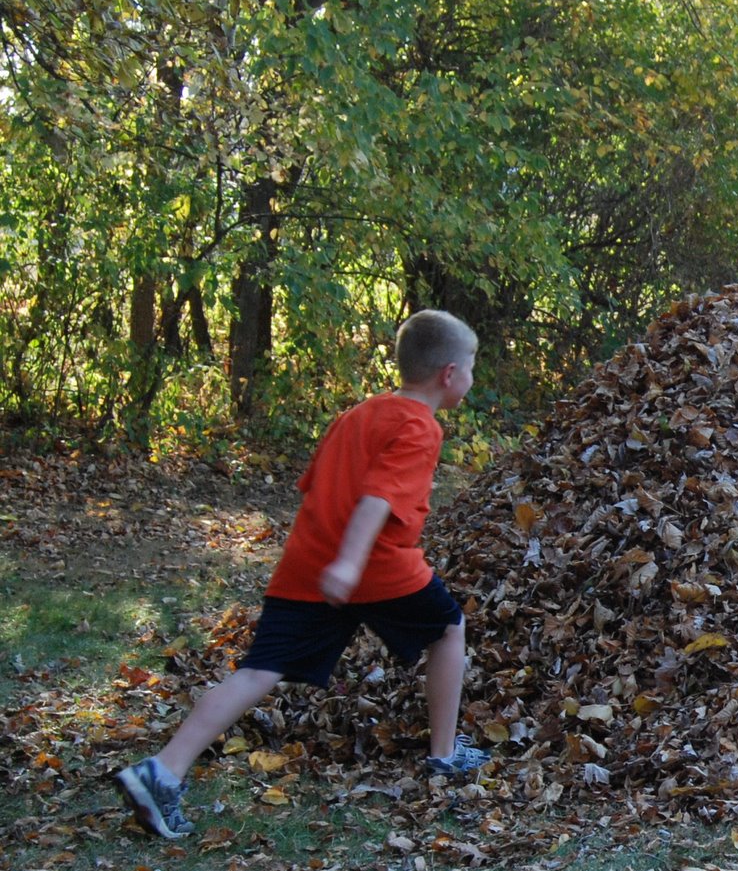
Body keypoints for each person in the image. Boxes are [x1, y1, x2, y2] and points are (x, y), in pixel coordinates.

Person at [115, 310, 489, 839]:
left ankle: (162, 771)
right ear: (449, 374)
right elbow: (378, 498)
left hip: (309, 563)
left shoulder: (359, 414)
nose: (473, 379)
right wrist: (351, 563)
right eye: (472, 368)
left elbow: (316, 486)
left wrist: (331, 561)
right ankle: (445, 754)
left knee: (259, 669)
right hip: (374, 565)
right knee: (449, 628)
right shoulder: (419, 426)